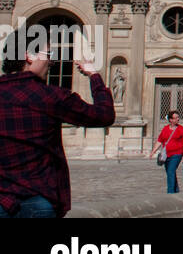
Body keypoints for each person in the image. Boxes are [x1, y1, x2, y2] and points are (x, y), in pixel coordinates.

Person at [0, 48, 114, 218]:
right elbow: (104, 115)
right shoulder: (51, 97)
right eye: (49, 55)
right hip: (38, 201)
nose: (52, 61)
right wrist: (93, 75)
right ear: (28, 56)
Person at [151, 110, 183, 193]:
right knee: (170, 172)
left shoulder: (181, 129)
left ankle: (170, 192)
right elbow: (159, 141)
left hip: (177, 154)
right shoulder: (165, 129)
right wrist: (153, 151)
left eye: (178, 117)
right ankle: (176, 190)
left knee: (171, 171)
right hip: (166, 155)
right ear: (170, 120)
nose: (177, 119)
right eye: (175, 118)